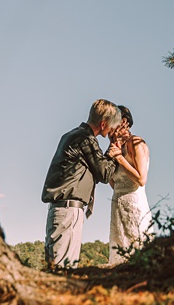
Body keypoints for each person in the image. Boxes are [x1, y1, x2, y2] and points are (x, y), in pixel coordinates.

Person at [41, 99, 122, 270]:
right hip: (68, 211)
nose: (112, 130)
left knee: (56, 267)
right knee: (63, 269)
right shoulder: (85, 139)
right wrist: (114, 153)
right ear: (103, 124)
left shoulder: (72, 135)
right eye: (111, 126)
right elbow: (104, 173)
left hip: (61, 210)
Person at [107, 105, 151, 266]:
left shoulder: (136, 143)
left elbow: (141, 179)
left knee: (137, 250)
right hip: (117, 206)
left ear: (123, 122)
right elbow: (114, 183)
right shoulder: (113, 148)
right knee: (119, 254)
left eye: (110, 121)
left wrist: (119, 157)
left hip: (135, 205)